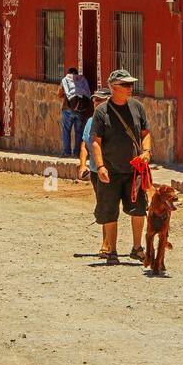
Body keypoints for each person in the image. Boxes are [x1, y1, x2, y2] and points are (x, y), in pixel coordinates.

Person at [89, 69, 152, 262]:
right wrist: (100, 167)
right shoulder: (101, 111)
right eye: (126, 85)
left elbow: (145, 133)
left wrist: (147, 152)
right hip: (110, 170)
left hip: (134, 171)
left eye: (131, 84)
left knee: (139, 209)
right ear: (114, 87)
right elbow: (95, 141)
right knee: (109, 210)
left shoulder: (137, 107)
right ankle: (112, 251)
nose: (130, 88)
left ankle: (137, 248)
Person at [77, 87, 112, 255]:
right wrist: (82, 165)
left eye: (100, 100)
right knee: (103, 203)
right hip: (95, 171)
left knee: (107, 204)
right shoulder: (91, 121)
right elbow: (84, 145)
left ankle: (107, 244)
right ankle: (107, 243)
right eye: (95, 100)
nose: (96, 103)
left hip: (113, 168)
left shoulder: (113, 120)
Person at [60, 66, 91, 158]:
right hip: (79, 110)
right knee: (79, 132)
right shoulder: (81, 81)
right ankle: (77, 152)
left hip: (67, 109)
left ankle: (67, 152)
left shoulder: (66, 80)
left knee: (66, 130)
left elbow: (59, 93)